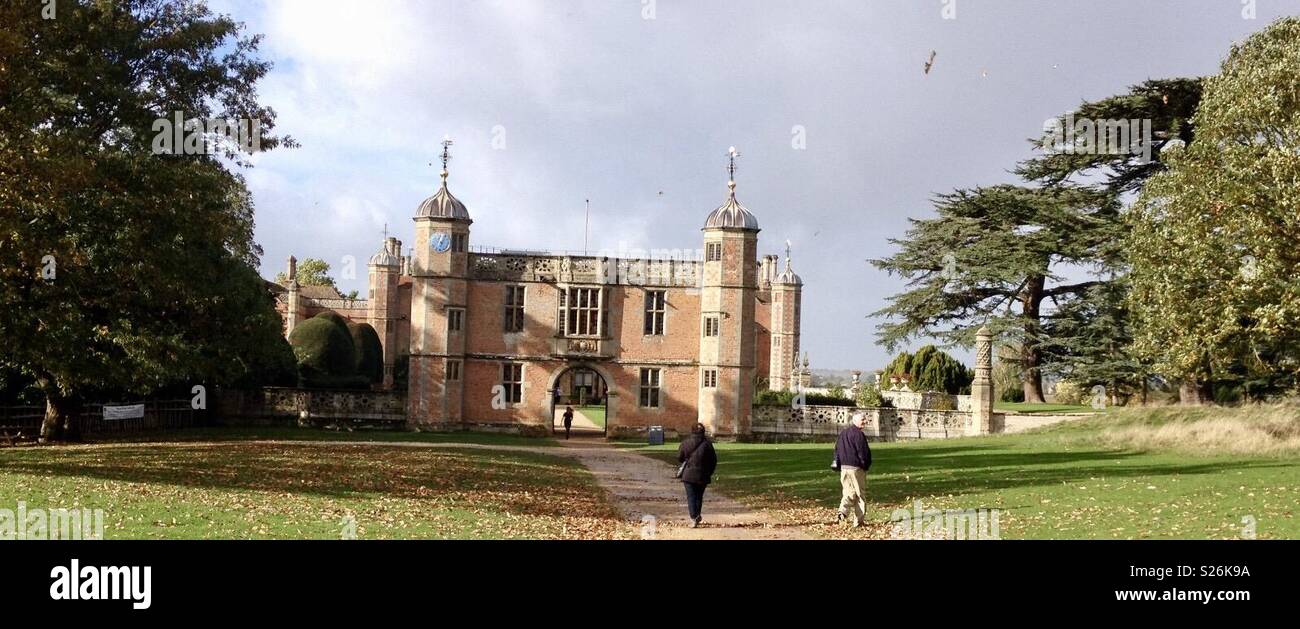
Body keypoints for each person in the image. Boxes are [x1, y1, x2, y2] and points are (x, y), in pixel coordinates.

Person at [832, 412, 872, 527]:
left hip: (844, 468)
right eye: (862, 420)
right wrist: (865, 465)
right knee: (860, 494)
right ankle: (859, 521)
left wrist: (839, 464)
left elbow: (836, 449)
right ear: (855, 421)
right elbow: (862, 452)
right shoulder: (859, 434)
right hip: (856, 468)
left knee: (848, 492)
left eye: (864, 419)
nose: (864, 422)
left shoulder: (843, 433)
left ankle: (842, 511)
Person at [677, 423, 718, 528]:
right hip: (703, 475)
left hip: (688, 474)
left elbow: (680, 457)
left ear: (692, 431)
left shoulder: (686, 443)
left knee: (691, 497)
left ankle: (693, 517)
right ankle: (697, 515)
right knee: (699, 496)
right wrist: (709, 472)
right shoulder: (708, 444)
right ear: (703, 432)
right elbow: (713, 460)